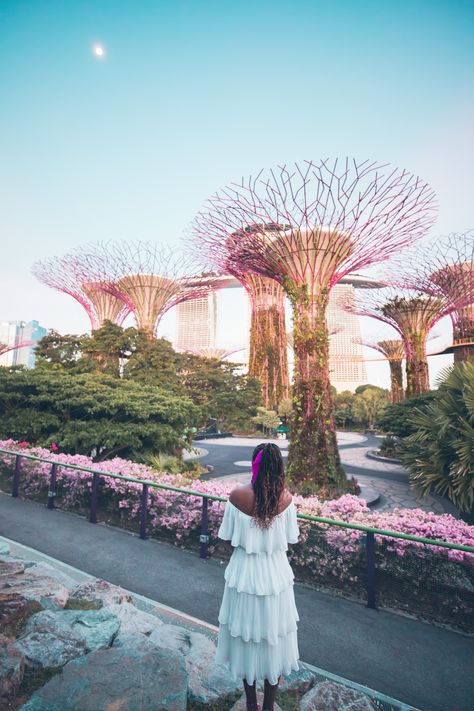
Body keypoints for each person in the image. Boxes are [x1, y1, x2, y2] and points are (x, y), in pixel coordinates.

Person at [215, 442, 300, 711]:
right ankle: (269, 706)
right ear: (278, 468)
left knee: (245, 637)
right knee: (273, 638)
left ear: (255, 463)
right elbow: (290, 539)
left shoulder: (237, 496)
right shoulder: (287, 500)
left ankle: (251, 703)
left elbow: (227, 538)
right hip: (276, 576)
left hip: (244, 574)